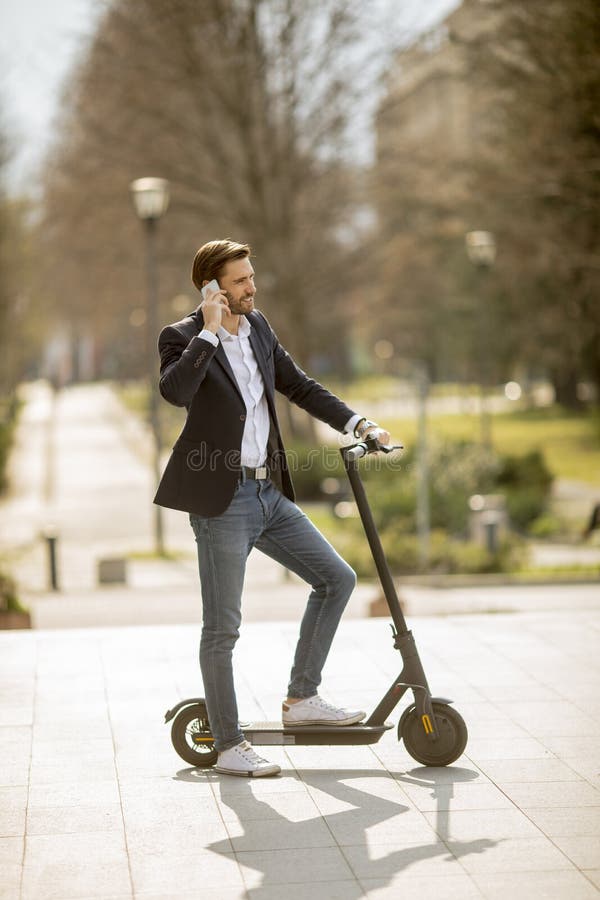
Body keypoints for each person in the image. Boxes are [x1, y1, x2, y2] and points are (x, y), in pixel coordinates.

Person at [155, 239, 390, 777]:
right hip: (222, 501)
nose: (251, 288)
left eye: (251, 277)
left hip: (269, 494)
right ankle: (229, 745)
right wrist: (211, 333)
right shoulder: (183, 337)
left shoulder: (259, 327)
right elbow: (176, 391)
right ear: (211, 287)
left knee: (337, 579)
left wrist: (360, 424)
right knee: (223, 629)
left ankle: (302, 700)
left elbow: (299, 386)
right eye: (239, 281)